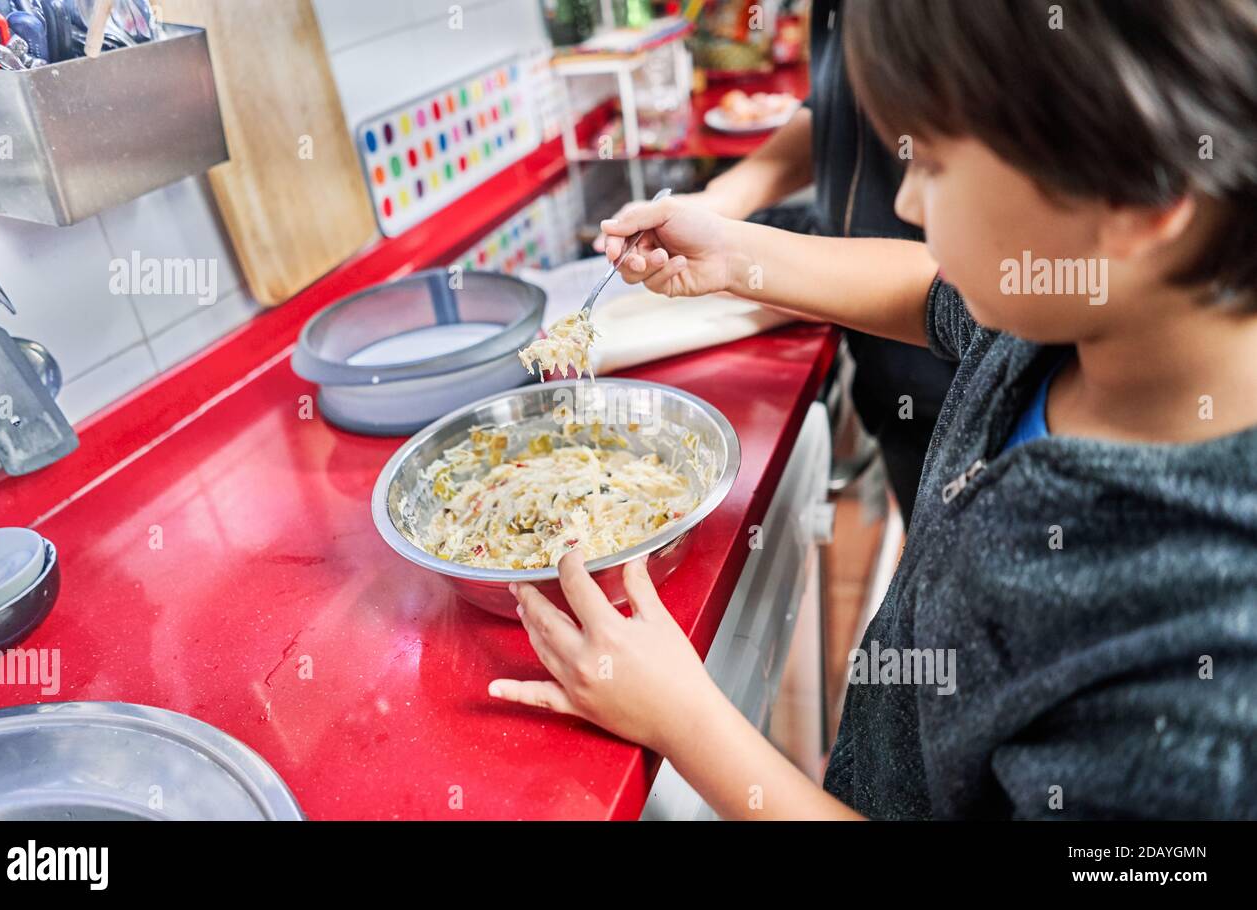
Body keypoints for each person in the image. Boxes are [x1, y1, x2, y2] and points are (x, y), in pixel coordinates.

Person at [489, 0, 1257, 820]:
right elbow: (925, 290)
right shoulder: (1069, 314)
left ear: (1139, 199)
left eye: (933, 166)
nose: (908, 204)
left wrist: (683, 717)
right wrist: (733, 252)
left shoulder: (1205, 679)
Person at [596, 0, 957, 526]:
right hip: (887, 349)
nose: (910, 202)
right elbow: (838, 108)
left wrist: (731, 252)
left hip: (946, 377)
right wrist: (721, 206)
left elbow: (961, 300)